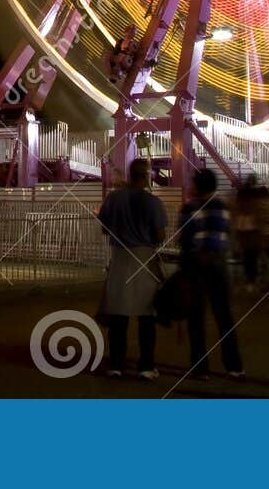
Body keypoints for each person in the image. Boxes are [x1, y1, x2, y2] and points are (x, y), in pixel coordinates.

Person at [96, 158, 168, 379]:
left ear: (129, 174)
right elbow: (159, 235)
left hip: (119, 258)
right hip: (144, 259)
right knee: (147, 316)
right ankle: (145, 366)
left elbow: (104, 228)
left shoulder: (113, 198)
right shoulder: (153, 202)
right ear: (146, 176)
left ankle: (115, 365)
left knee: (119, 314)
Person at [180, 168, 245, 378]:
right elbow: (228, 233)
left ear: (198, 185)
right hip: (218, 263)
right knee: (224, 315)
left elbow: (185, 238)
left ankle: (200, 367)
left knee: (196, 317)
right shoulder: (224, 207)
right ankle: (233, 366)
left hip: (196, 263)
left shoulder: (189, 208)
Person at [231, 177, 263, 291]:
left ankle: (249, 279)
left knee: (247, 255)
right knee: (252, 256)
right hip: (252, 229)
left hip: (243, 228)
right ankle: (252, 279)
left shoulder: (240, 199)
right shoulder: (254, 199)